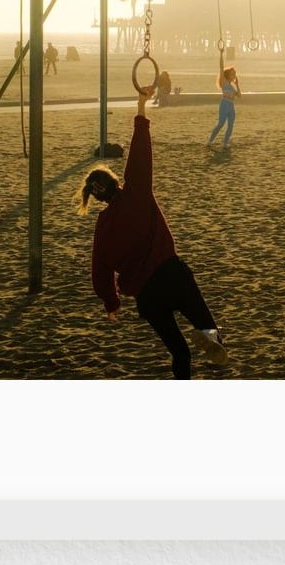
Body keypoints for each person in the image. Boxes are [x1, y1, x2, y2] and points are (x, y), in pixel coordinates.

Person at [78, 83, 224, 378]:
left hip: (147, 296)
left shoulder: (103, 226)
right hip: (172, 275)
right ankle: (209, 337)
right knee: (208, 327)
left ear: (96, 198)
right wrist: (141, 107)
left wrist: (111, 303)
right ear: (115, 182)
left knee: (179, 352)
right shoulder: (137, 193)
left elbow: (100, 270)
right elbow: (140, 152)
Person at [208, 64, 240, 150]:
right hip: (224, 104)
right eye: (232, 74)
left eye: (235, 74)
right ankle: (210, 141)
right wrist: (221, 54)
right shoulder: (224, 82)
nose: (234, 75)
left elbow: (239, 96)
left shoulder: (232, 87)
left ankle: (225, 143)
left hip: (231, 106)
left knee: (230, 125)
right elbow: (221, 67)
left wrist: (237, 84)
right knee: (221, 123)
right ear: (228, 75)